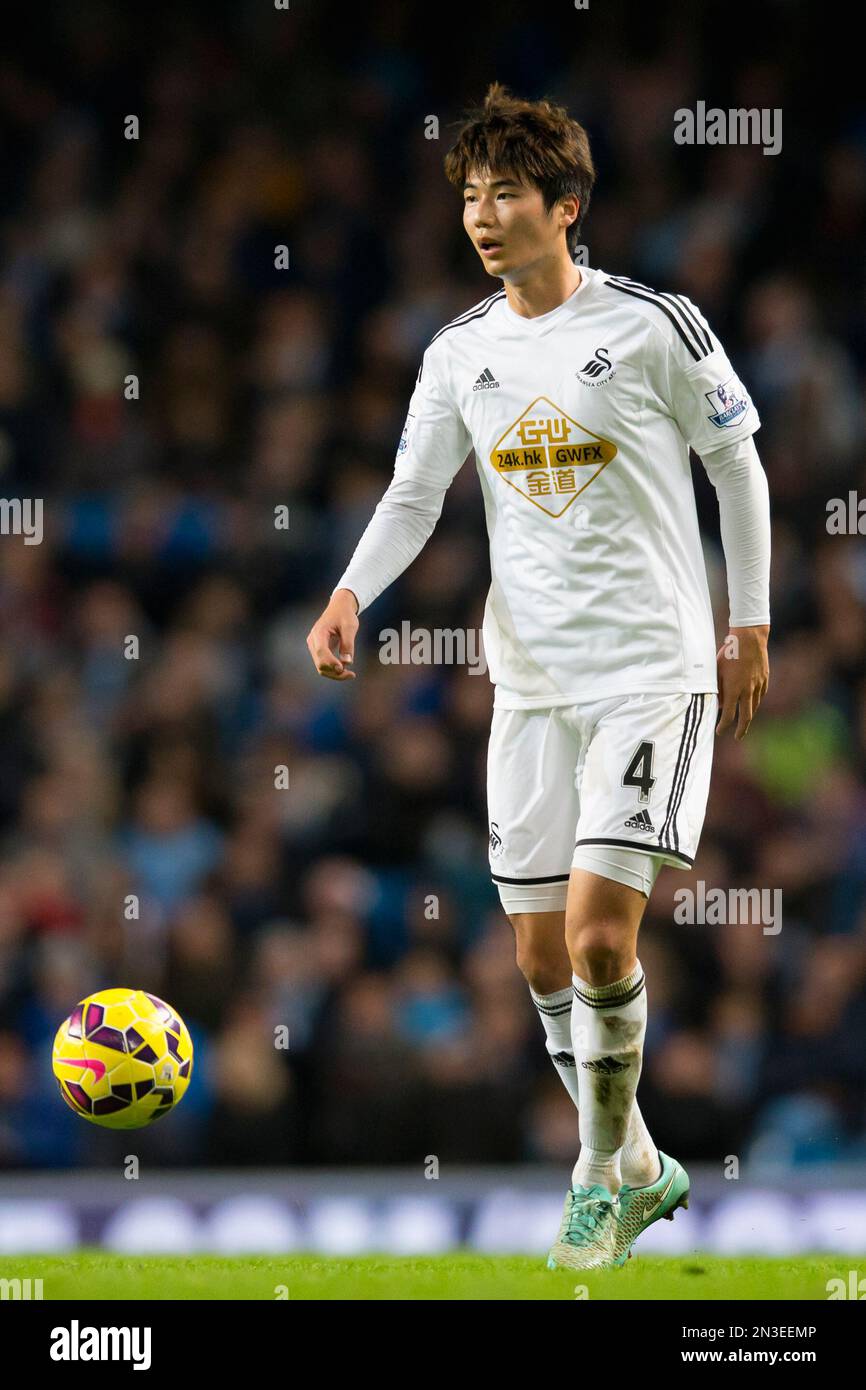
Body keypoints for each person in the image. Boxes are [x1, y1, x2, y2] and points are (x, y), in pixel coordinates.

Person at [306, 82, 770, 1270]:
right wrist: (352, 591)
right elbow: (414, 494)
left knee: (602, 939)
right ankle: (642, 1164)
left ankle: (588, 1178)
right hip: (529, 682)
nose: (481, 213)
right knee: (535, 955)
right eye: (467, 194)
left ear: (564, 207)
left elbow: (737, 466)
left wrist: (747, 622)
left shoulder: (654, 325)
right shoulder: (461, 351)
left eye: (504, 192)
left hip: (649, 673)